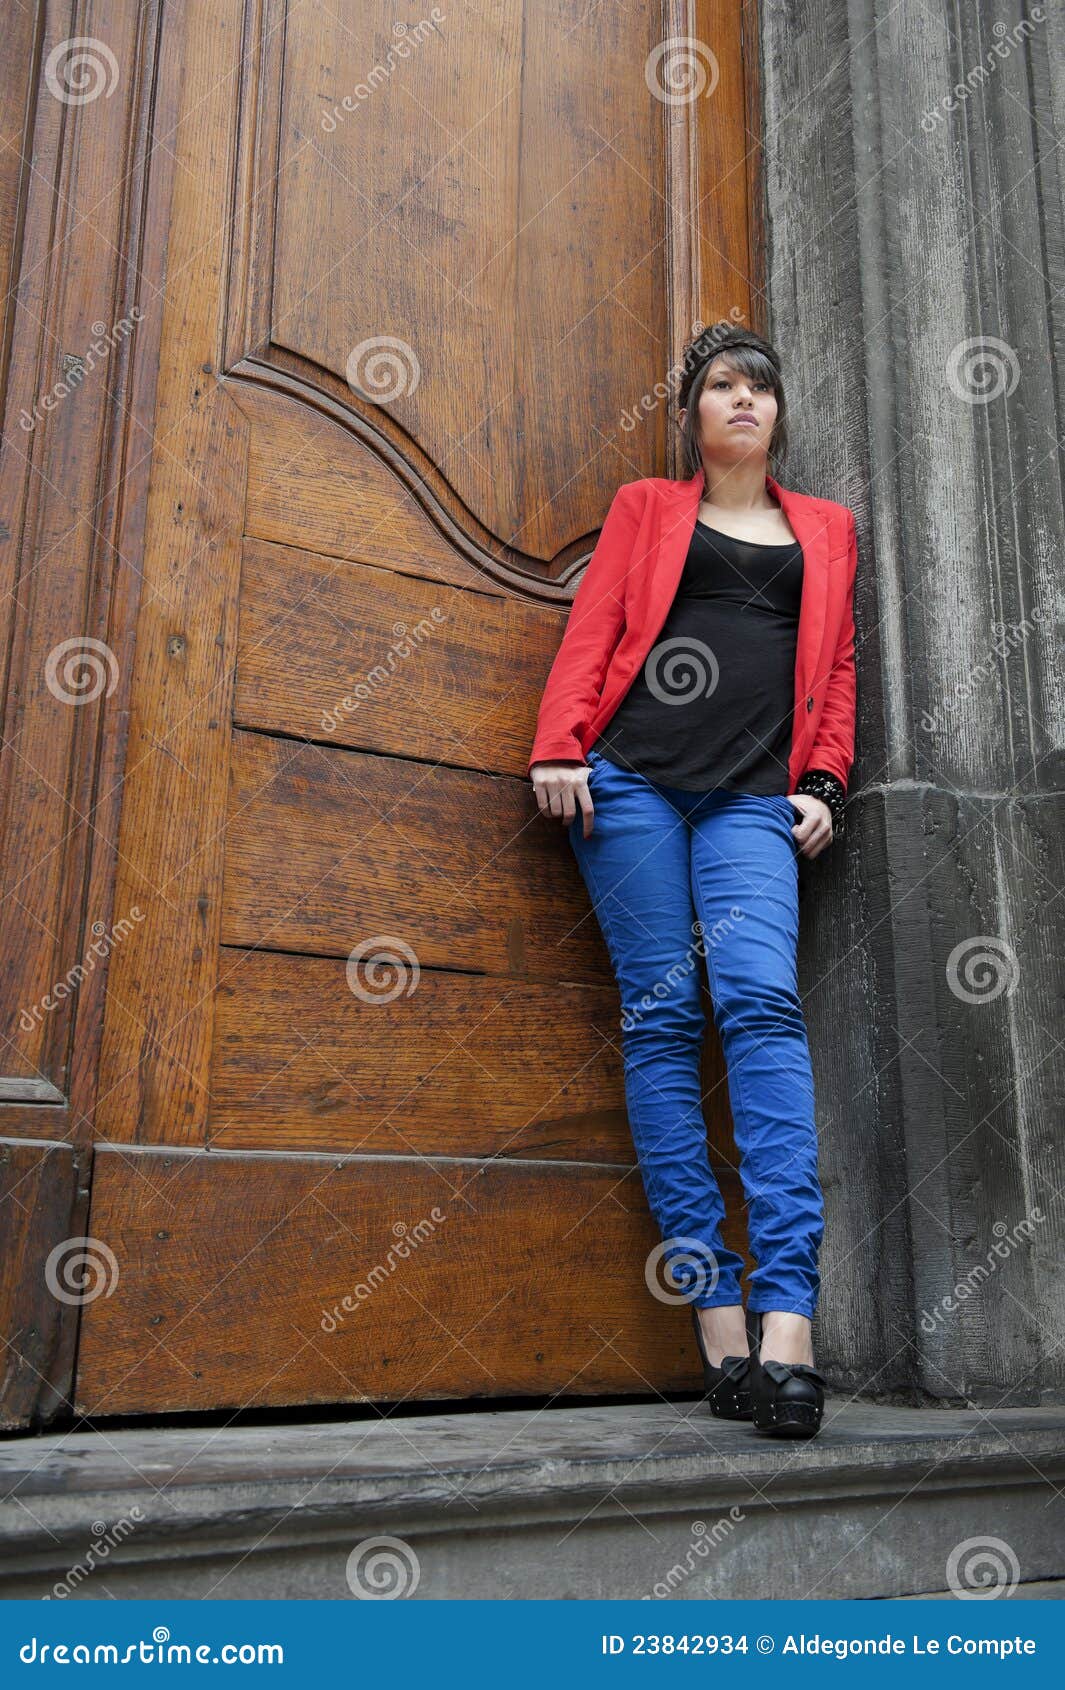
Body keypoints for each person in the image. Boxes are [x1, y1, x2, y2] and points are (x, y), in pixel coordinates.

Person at [527, 324, 858, 1439]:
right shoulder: (648, 510)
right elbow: (600, 620)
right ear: (694, 413)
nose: (743, 399)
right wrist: (560, 743)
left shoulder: (826, 531)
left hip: (753, 802)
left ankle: (787, 1319)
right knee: (665, 1023)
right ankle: (714, 1307)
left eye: (760, 384)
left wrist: (826, 776)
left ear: (779, 411)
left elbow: (839, 661)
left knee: (762, 1006)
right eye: (721, 385)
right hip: (632, 789)